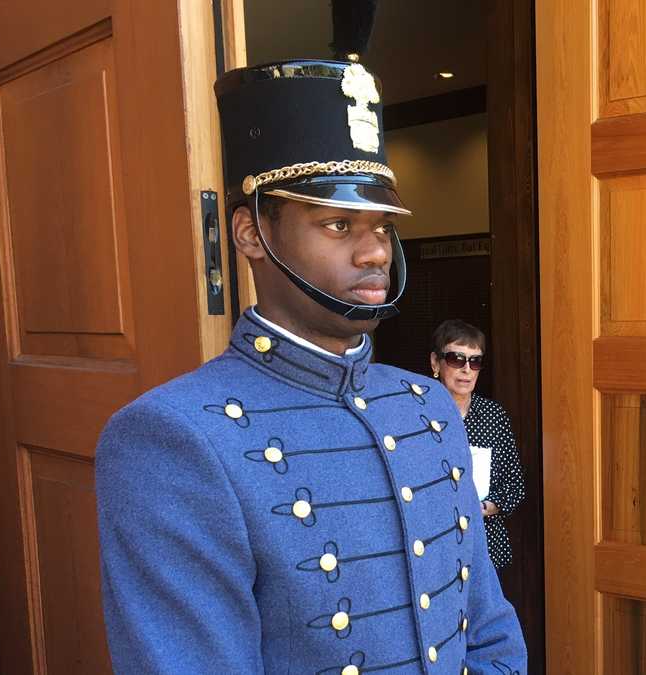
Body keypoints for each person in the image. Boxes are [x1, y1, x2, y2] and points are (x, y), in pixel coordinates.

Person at [93, 46, 527, 674]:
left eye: (381, 226)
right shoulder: (172, 436)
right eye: (337, 224)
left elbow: (485, 625)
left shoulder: (428, 405)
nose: (374, 251)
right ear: (251, 233)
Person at [428, 320, 525, 569]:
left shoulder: (493, 416)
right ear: (435, 363)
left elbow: (514, 486)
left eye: (475, 361)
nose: (466, 370)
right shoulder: (416, 415)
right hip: (434, 545)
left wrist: (482, 507)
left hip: (485, 545)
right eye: (456, 359)